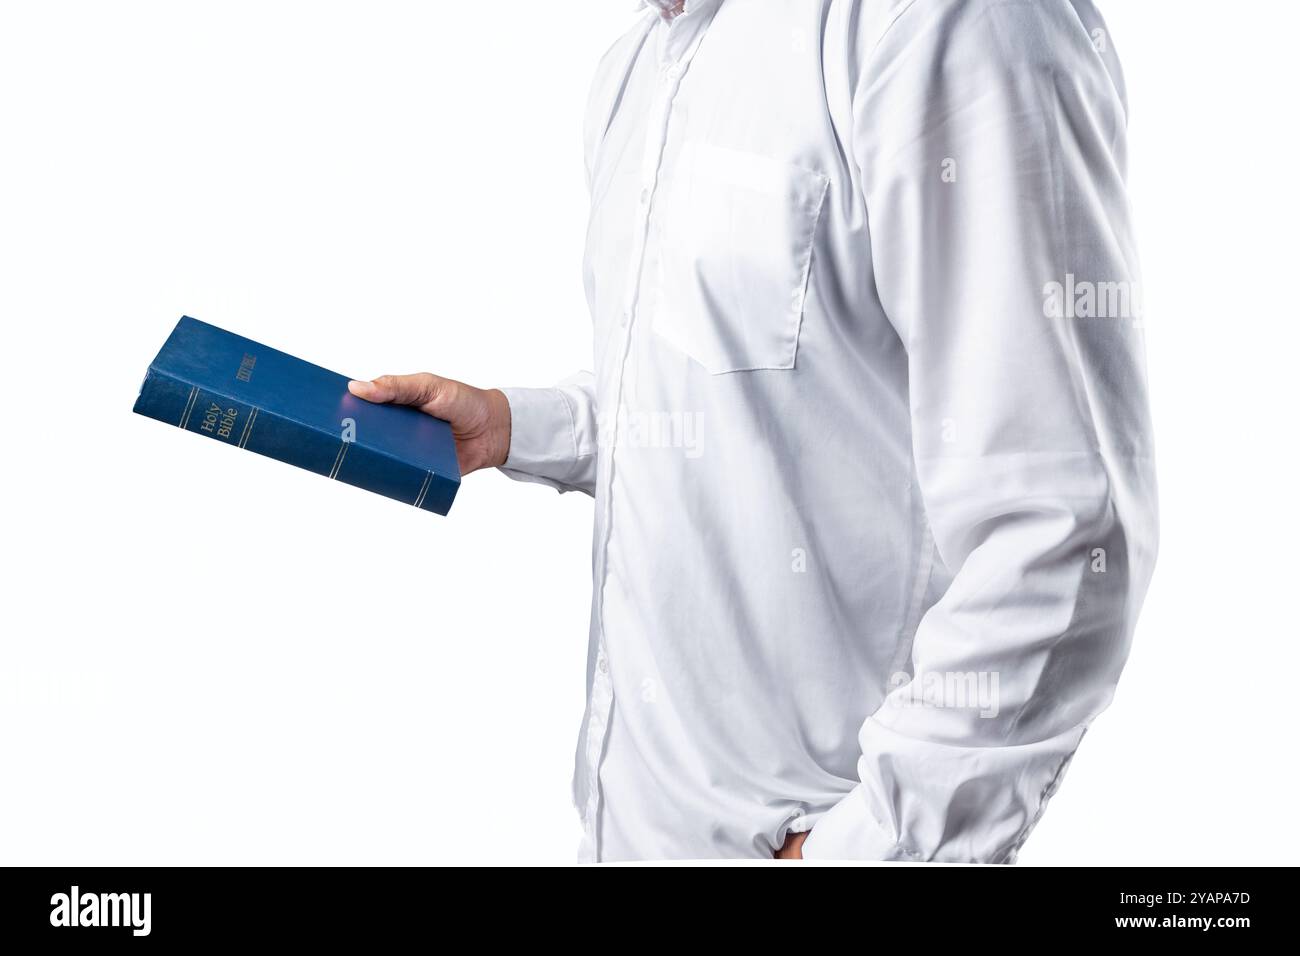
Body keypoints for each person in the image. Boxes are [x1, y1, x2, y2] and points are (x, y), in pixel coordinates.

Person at [349, 0, 1157, 862]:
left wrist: (869, 847)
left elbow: (1066, 523)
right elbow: (715, 390)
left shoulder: (946, 22)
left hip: (810, 829)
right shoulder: (637, 66)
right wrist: (515, 425)